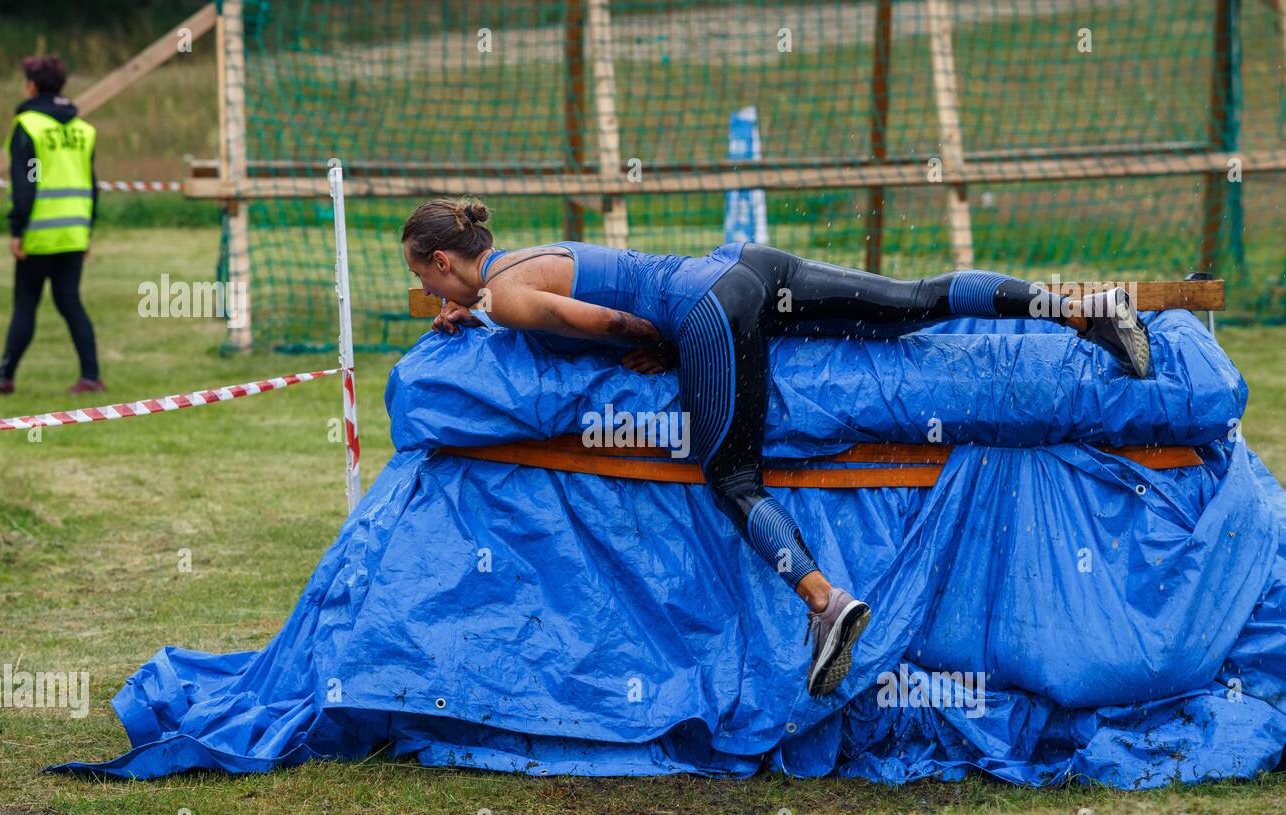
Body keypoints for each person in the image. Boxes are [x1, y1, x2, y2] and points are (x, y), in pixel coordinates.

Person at [400, 197, 1150, 698]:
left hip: (705, 313)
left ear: (441, 262)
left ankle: (824, 604)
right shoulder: (519, 260)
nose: (436, 298)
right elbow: (551, 289)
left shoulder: (499, 295)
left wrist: (659, 344)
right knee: (914, 301)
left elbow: (592, 320)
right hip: (747, 267)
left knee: (728, 476)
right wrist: (471, 317)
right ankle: (1084, 310)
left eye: (428, 282)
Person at [0, 54, 103, 396]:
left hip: (39, 231)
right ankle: (91, 376)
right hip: (73, 230)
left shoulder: (29, 126)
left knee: (26, 303)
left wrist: (17, 229)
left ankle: (3, 376)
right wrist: (87, 230)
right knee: (70, 302)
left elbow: (27, 182)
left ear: (31, 86)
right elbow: (92, 184)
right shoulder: (84, 129)